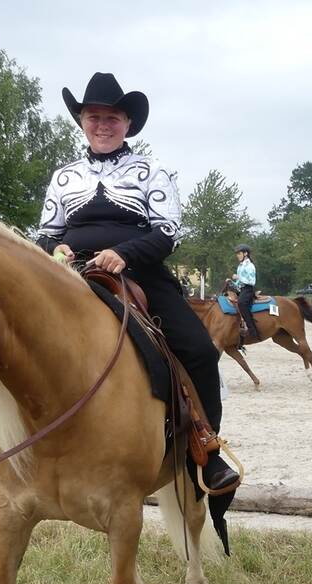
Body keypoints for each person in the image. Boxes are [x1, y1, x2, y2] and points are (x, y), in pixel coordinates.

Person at [35, 72, 239, 492]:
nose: (102, 125)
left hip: (139, 271)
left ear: (128, 124)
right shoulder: (63, 176)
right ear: (81, 121)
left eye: (112, 118)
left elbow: (168, 231)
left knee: (200, 350)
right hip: (70, 274)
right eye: (94, 117)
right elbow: (46, 232)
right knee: (16, 335)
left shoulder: (151, 170)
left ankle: (206, 448)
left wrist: (125, 253)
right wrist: (55, 251)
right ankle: (3, 442)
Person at [231, 244, 258, 345]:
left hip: (248, 289)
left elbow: (251, 281)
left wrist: (238, 278)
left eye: (239, 253)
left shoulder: (250, 266)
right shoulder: (240, 266)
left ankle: (252, 330)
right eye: (237, 254)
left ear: (245, 253)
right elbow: (239, 283)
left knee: (241, 303)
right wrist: (231, 282)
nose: (237, 255)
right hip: (242, 289)